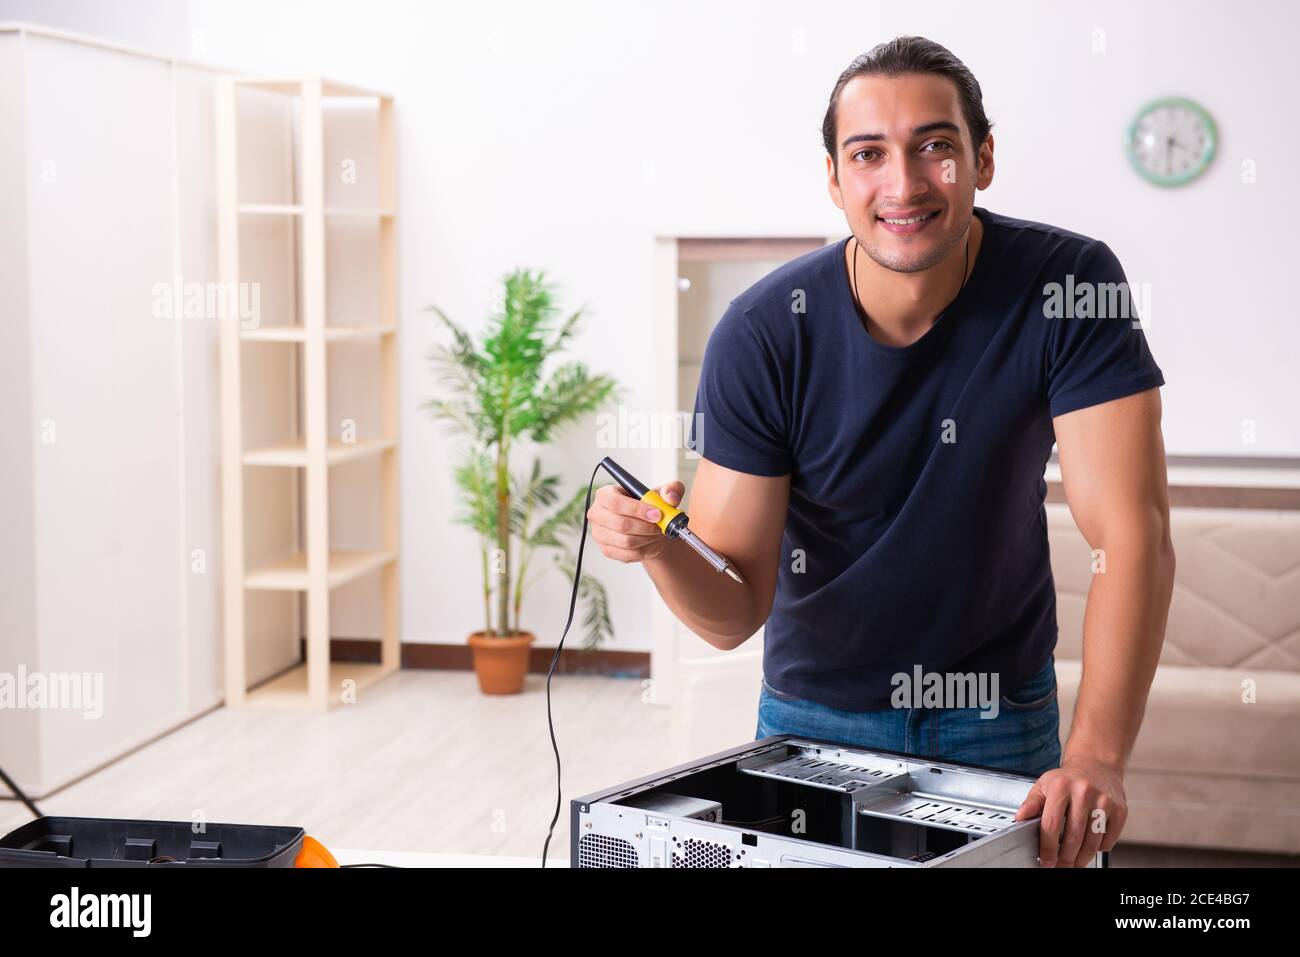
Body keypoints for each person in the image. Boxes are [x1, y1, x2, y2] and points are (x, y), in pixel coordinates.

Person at [586, 36, 1175, 868]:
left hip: (1000, 714)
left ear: (984, 159)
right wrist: (658, 548)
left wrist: (1097, 753)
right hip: (815, 721)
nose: (903, 184)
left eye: (936, 146)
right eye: (868, 154)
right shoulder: (762, 334)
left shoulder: (1072, 283)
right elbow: (734, 609)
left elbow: (1133, 533)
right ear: (834, 178)